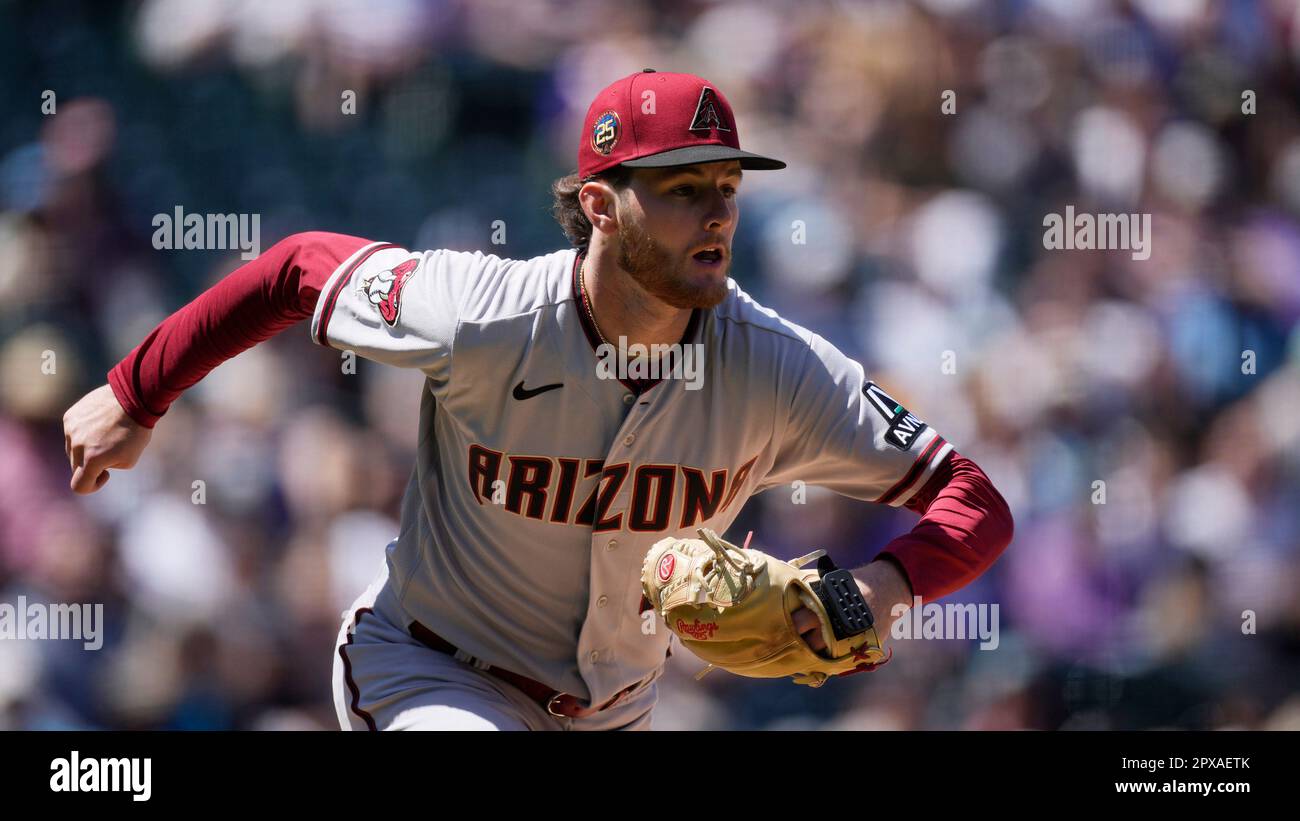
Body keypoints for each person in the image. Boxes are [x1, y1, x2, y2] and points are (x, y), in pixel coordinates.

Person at [62, 70, 1013, 731]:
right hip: (432, 666)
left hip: (619, 707)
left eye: (727, 185)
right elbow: (295, 268)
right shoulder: (483, 310)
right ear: (600, 204)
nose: (718, 210)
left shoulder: (775, 365)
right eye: (683, 187)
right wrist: (137, 392)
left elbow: (974, 498)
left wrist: (885, 586)